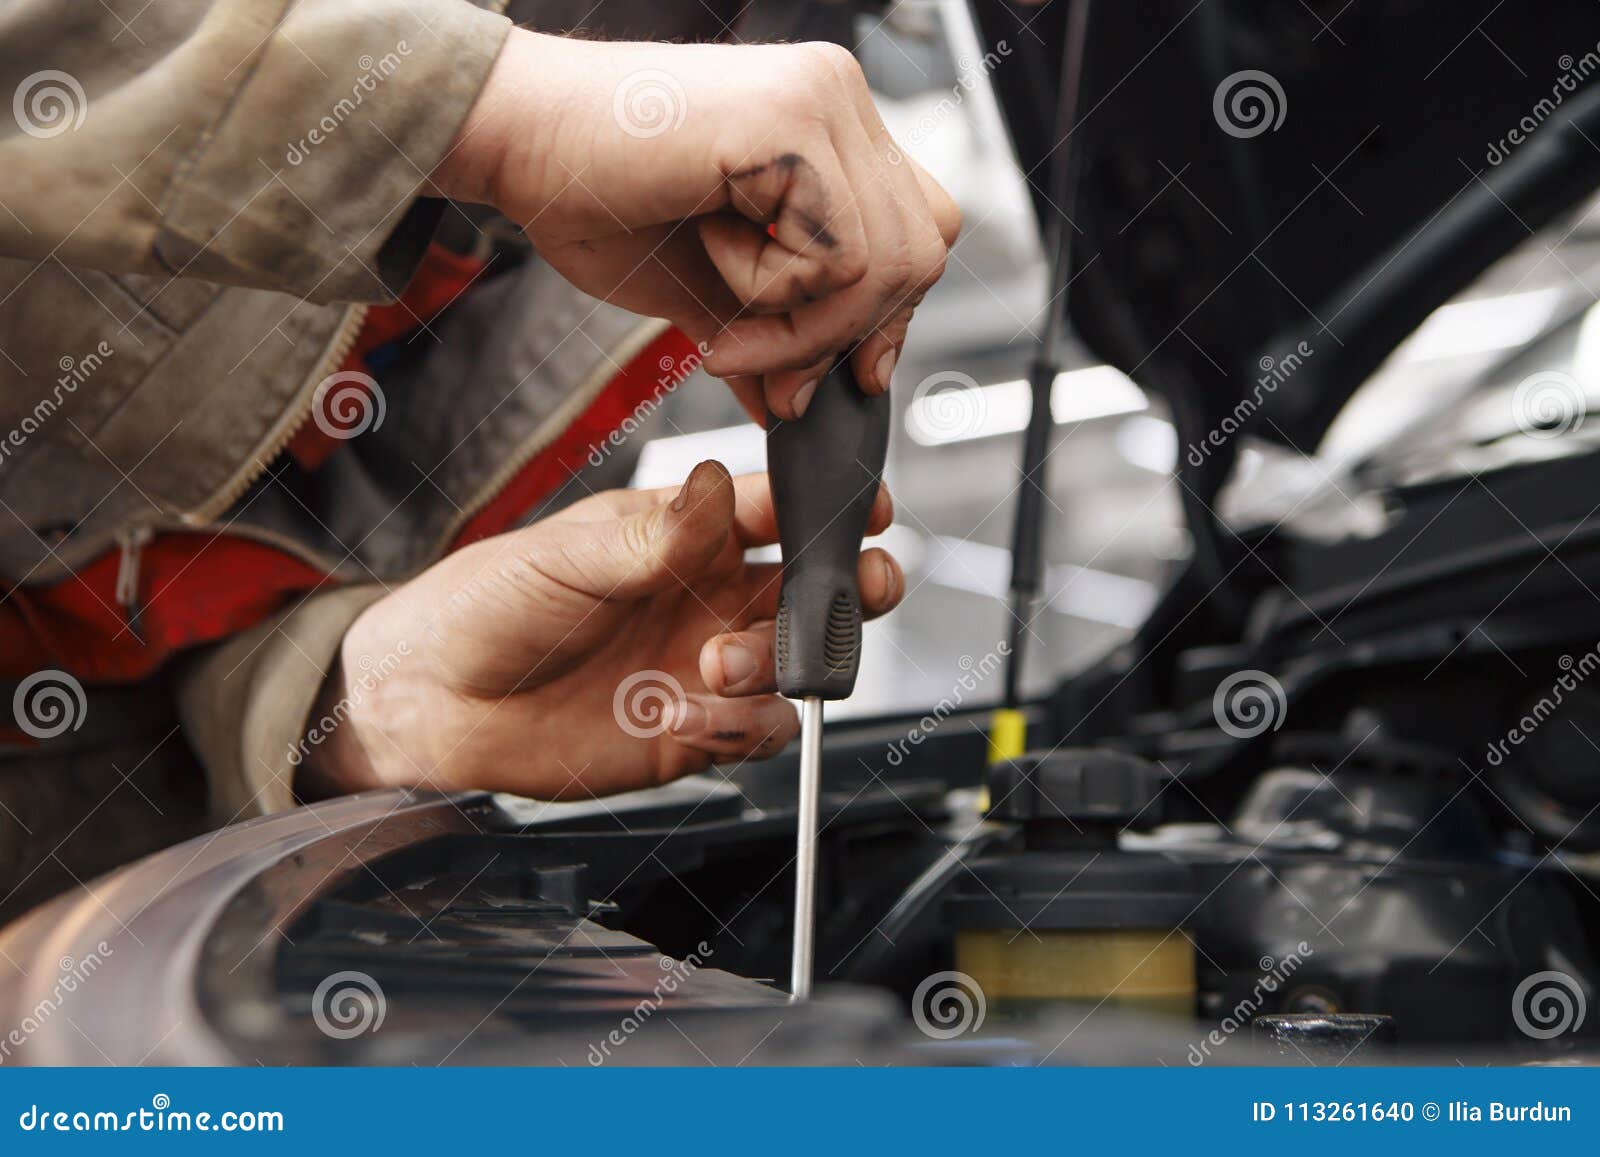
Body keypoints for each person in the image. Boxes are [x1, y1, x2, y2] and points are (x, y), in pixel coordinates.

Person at [0, 1, 957, 916]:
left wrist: (364, 697)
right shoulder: (558, 126)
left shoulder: (637, 286)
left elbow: (131, 707)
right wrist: (481, 111)